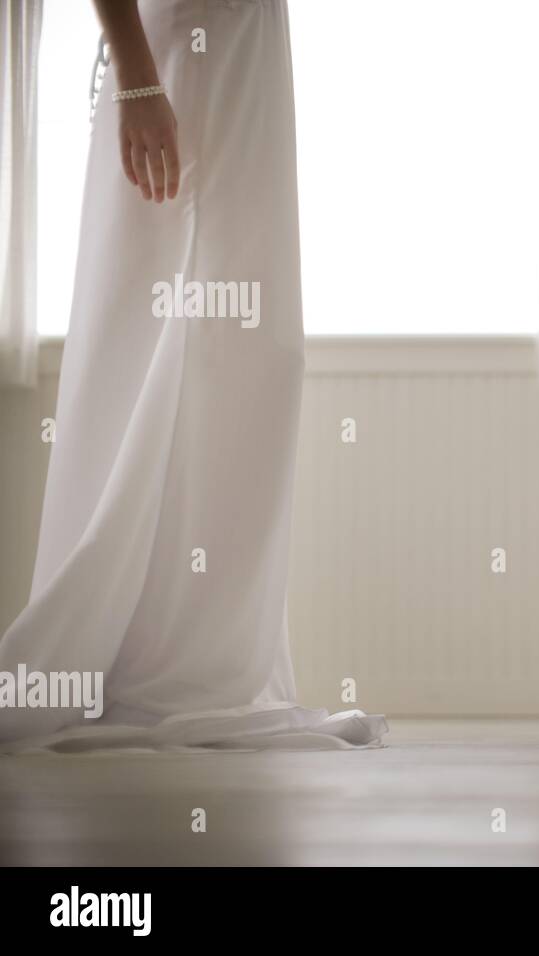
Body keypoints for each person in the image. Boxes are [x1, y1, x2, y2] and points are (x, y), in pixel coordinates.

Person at [0, 0, 385, 750]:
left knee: (245, 357)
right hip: (179, 57)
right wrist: (138, 79)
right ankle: (136, 666)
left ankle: (207, 660)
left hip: (250, 53)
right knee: (155, 342)